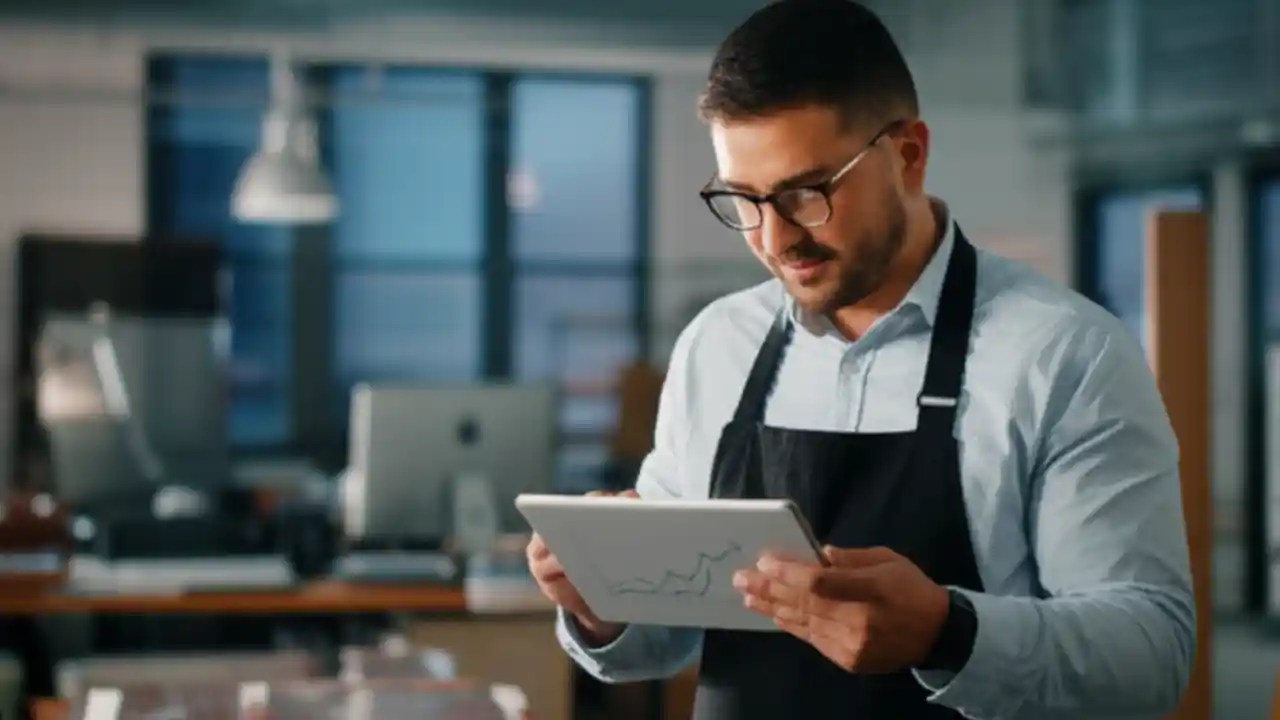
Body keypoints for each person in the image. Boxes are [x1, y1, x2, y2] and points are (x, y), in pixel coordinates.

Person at [525, 0, 1195, 717]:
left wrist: (950, 633)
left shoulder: (1066, 355)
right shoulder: (717, 347)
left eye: (806, 194)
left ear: (907, 155)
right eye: (743, 200)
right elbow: (666, 638)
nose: (775, 238)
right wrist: (601, 602)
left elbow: (1151, 654)